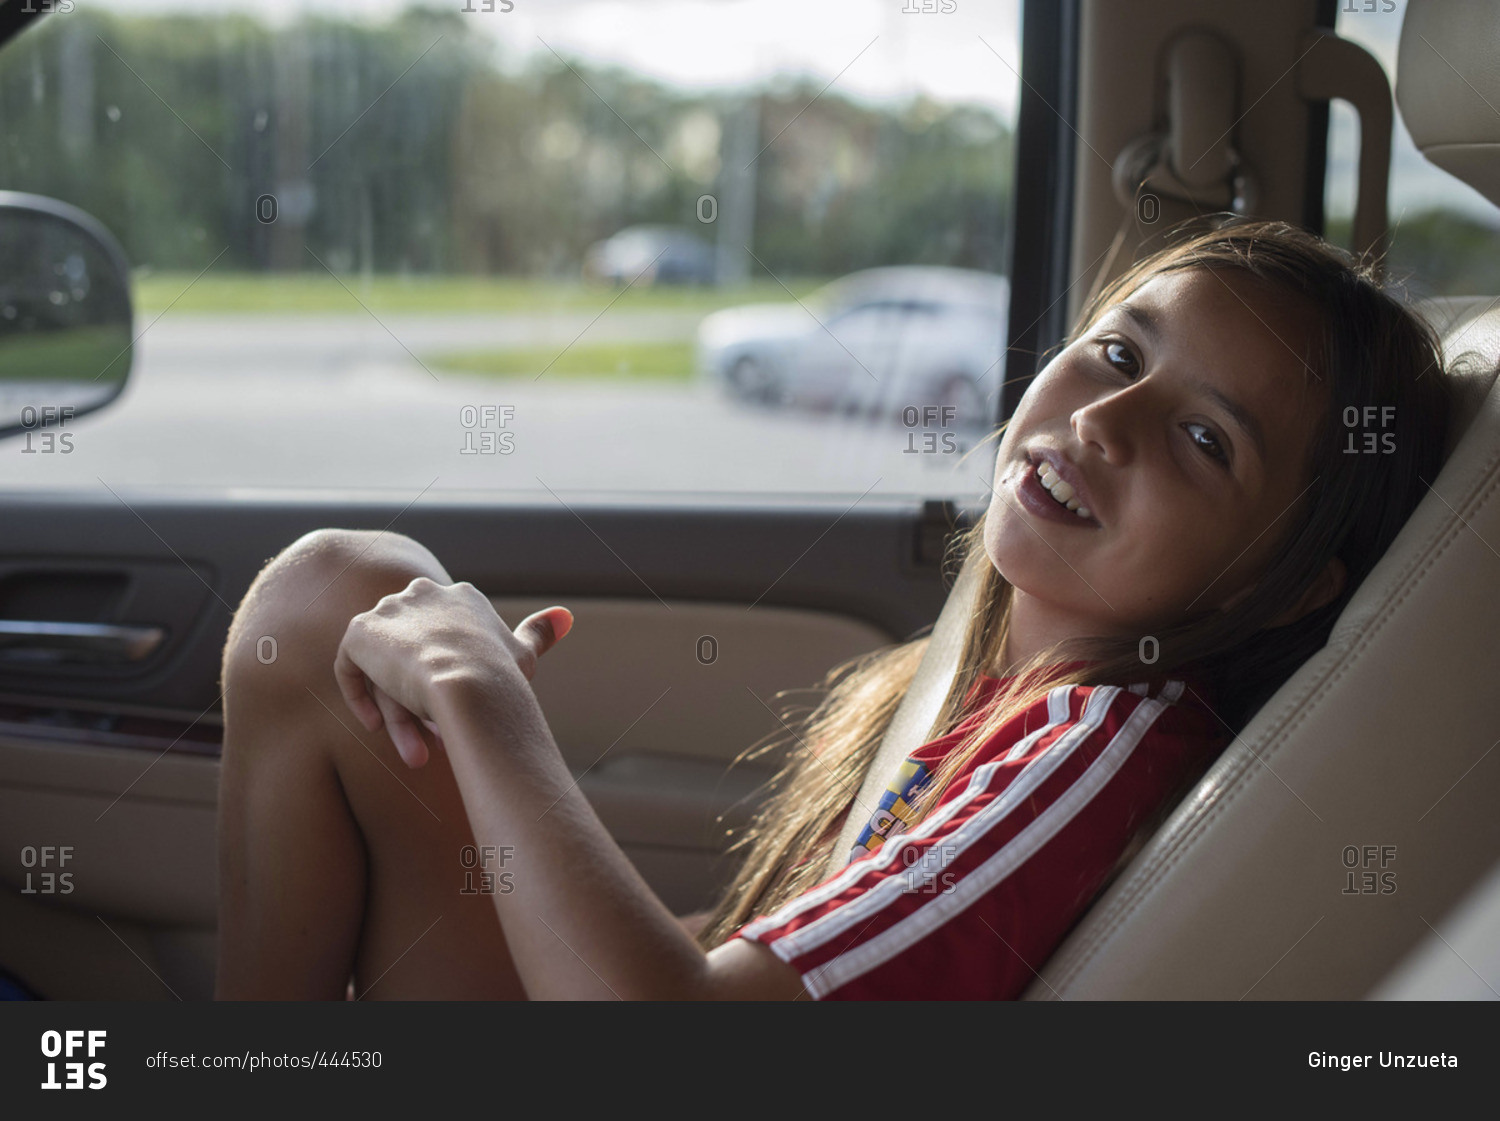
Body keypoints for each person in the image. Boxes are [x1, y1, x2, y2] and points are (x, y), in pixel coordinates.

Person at [214, 216, 1454, 999]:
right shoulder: (987, 680)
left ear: (1288, 583)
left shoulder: (1096, 748)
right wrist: (489, 760)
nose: (1102, 420)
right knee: (338, 600)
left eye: (1201, 439)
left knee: (341, 592)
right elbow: (779, 938)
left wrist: (486, 709)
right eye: (1120, 353)